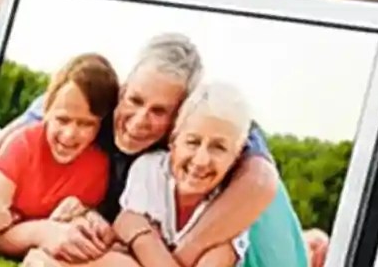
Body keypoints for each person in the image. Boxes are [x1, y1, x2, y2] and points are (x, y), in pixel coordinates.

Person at [0, 34, 313, 267]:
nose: (139, 121)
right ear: (125, 85)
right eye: (134, 100)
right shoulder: (92, 107)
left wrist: (178, 255)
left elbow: (261, 180)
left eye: (159, 111)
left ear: (180, 116)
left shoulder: (213, 123)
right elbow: (12, 134)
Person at [0, 54, 119, 244]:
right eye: (62, 120)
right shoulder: (23, 141)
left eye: (86, 124)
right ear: (46, 111)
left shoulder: (97, 166)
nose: (69, 134)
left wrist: (82, 214)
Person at [94, 81, 259, 267]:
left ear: (236, 157)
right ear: (173, 142)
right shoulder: (150, 170)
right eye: (193, 142)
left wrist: (140, 235)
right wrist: (140, 235)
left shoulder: (234, 202)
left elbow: (218, 258)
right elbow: (127, 235)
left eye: (218, 147)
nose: (201, 160)